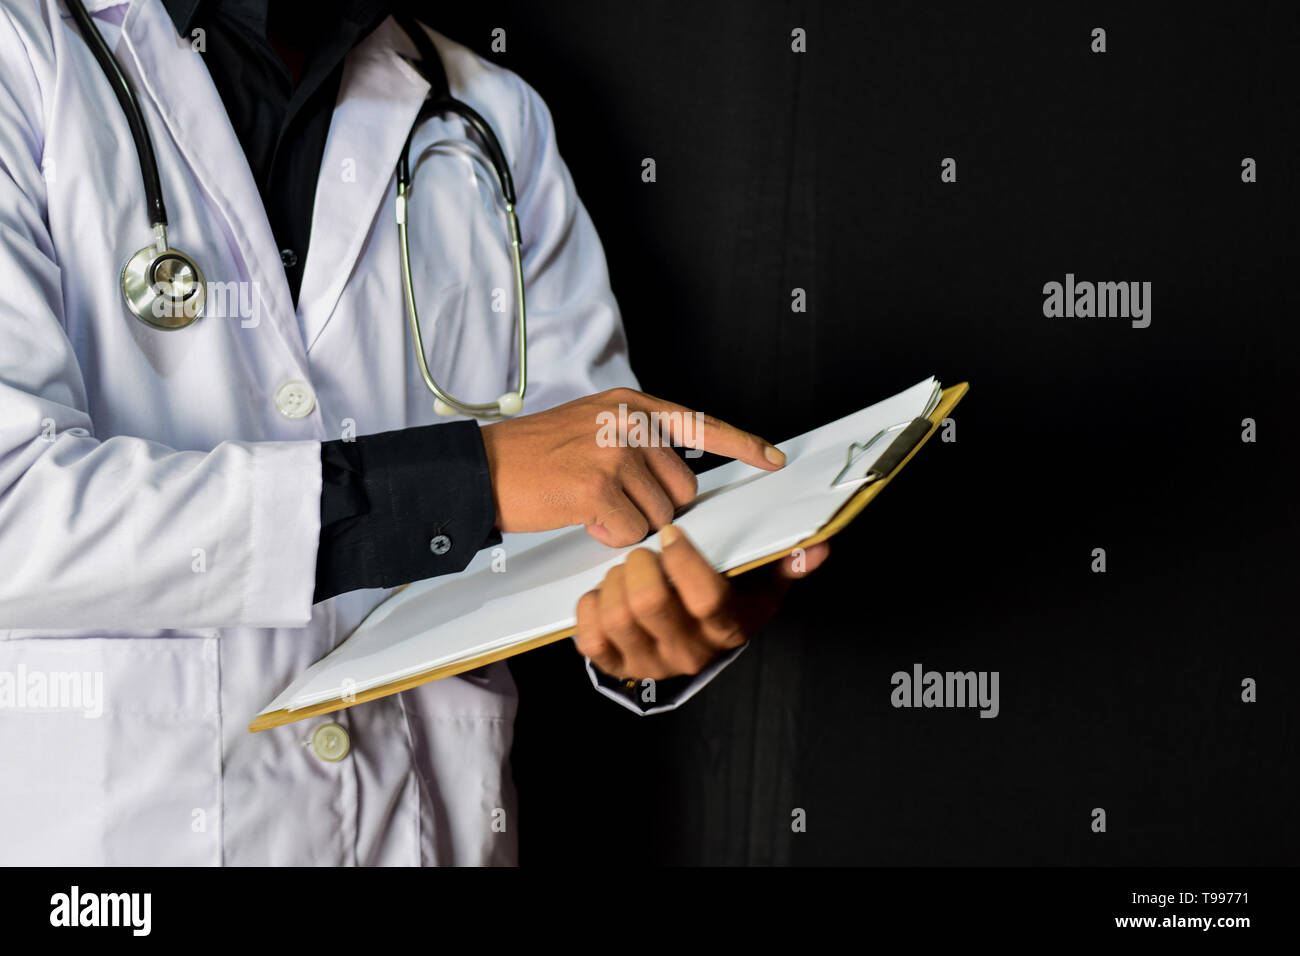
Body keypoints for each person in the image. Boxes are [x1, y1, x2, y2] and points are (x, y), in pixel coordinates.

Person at [0, 0, 828, 865]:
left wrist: (659, 606)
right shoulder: (25, 57)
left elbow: (596, 498)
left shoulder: (492, 117)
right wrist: (464, 482)